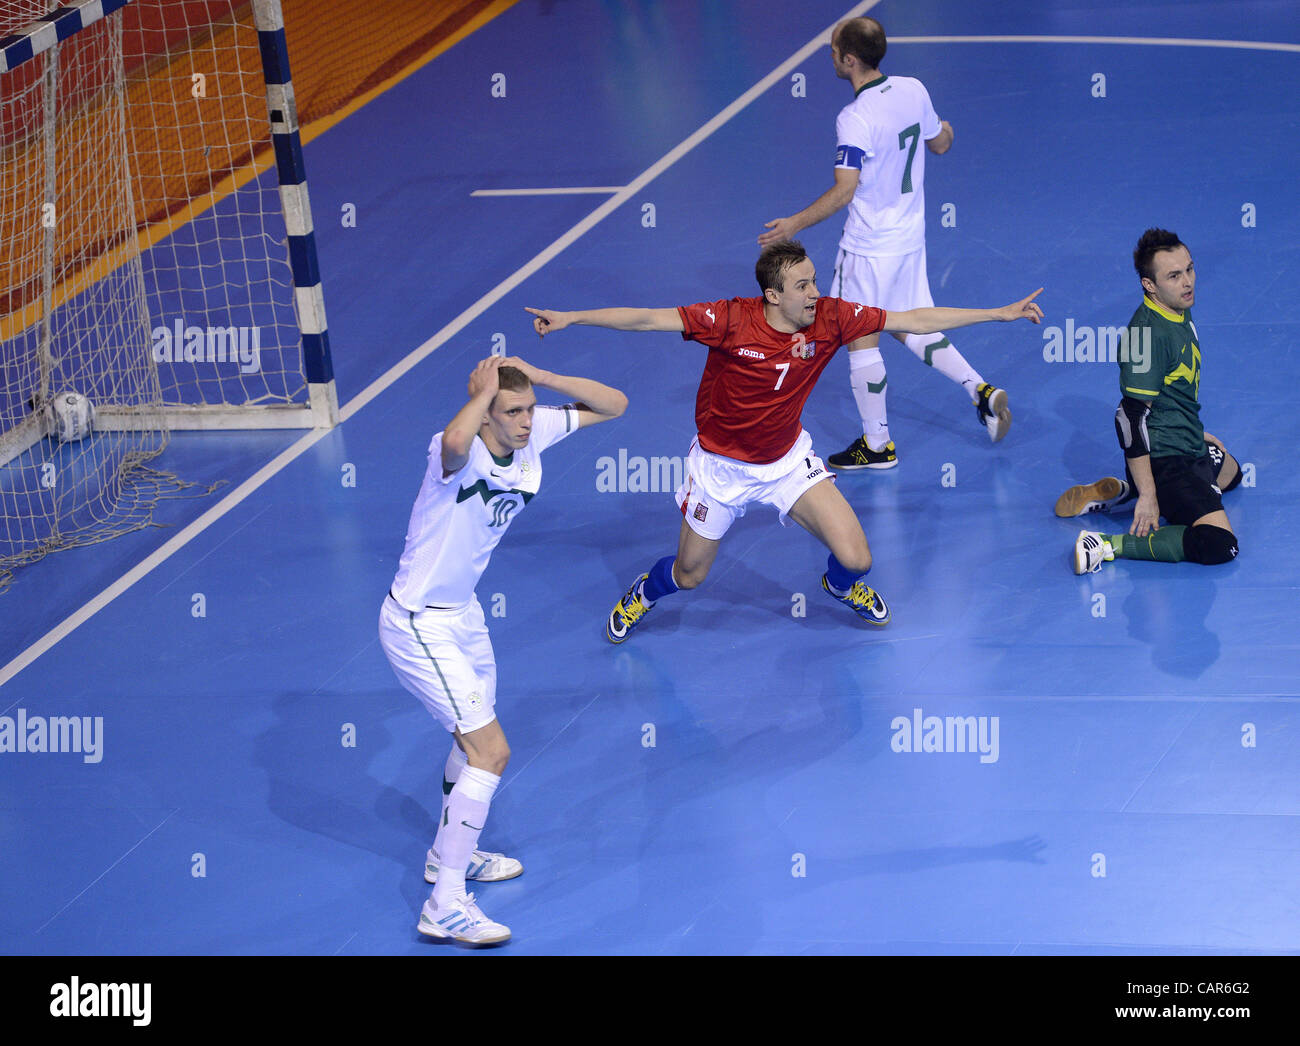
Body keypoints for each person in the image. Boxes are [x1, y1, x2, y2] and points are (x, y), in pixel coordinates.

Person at [525, 239, 1042, 641]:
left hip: (786, 461)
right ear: (773, 295)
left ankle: (838, 587)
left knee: (858, 558)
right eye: (802, 286)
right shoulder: (729, 320)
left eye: (814, 281)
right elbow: (646, 318)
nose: (815, 292)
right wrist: (573, 318)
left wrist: (997, 313)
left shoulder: (834, 317)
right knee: (688, 575)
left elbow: (913, 318)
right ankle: (645, 591)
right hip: (721, 470)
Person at [379, 355, 626, 944]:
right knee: (490, 751)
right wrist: (482, 393)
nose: (524, 421)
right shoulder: (454, 450)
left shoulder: (530, 429)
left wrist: (543, 379)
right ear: (486, 414)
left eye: (527, 411)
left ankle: (447, 857)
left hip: (464, 615)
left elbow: (614, 403)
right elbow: (459, 434)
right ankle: (444, 904)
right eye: (511, 412)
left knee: (470, 746)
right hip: (419, 622)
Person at [759, 16, 1009, 471]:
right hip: (910, 240)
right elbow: (940, 143)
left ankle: (878, 445)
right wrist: (947, 128)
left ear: (850, 60)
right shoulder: (913, 89)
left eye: (834, 50)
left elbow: (844, 191)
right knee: (908, 322)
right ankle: (980, 390)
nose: (829, 55)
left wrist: (794, 222)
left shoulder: (855, 118)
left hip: (870, 248)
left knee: (860, 336)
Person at [1061, 228, 1243, 573]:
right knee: (1221, 544)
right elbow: (1128, 417)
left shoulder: (1175, 306)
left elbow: (1170, 393)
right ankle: (1106, 543)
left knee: (1234, 475)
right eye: (1174, 276)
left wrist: (1190, 428)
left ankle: (1127, 491)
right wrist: (1150, 494)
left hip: (1186, 441)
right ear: (1149, 285)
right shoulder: (1146, 337)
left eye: (1189, 269)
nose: (1187, 282)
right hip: (1168, 460)